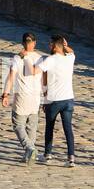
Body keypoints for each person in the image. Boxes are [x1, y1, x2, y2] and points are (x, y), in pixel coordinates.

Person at [1, 33, 44, 165]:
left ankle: (29, 148)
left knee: (18, 124)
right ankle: (29, 155)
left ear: (22, 43)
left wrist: (5, 94)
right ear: (34, 43)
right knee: (32, 126)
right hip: (36, 96)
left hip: (22, 97)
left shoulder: (17, 58)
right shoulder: (39, 58)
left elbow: (11, 77)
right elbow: (43, 79)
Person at [39, 34, 76, 167]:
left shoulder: (50, 59)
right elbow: (72, 52)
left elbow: (39, 72)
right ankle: (71, 157)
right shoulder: (69, 59)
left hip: (53, 99)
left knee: (50, 127)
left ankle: (47, 154)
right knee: (68, 129)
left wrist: (43, 95)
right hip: (68, 99)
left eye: (50, 44)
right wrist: (66, 46)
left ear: (54, 46)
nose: (49, 46)